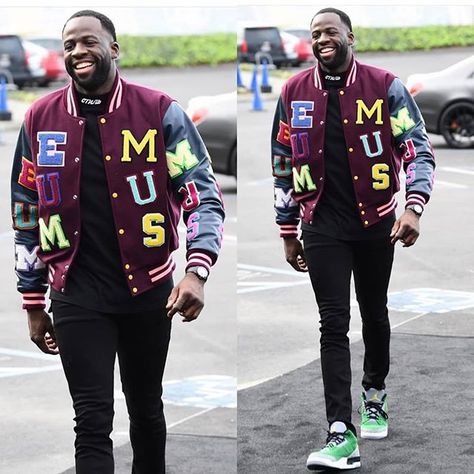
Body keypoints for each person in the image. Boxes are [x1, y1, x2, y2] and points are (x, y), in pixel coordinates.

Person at [11, 10, 224, 474]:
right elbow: (26, 215)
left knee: (146, 410)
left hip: (148, 292)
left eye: (88, 41)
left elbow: (203, 198)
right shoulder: (38, 120)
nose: (77, 52)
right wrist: (32, 301)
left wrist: (196, 269)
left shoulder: (160, 112)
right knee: (91, 420)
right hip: (75, 293)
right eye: (68, 45)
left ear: (113, 48)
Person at [271, 7, 435, 471]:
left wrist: (413, 207)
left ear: (351, 38)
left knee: (374, 312)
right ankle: (340, 431)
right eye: (315, 33)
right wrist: (288, 229)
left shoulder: (385, 86)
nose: (322, 39)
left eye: (330, 32)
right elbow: (282, 161)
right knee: (332, 323)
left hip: (376, 222)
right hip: (321, 225)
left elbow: (418, 150)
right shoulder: (294, 91)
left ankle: (375, 395)